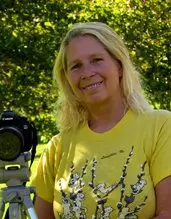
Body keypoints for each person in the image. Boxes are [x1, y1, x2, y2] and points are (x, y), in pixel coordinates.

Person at [31, 22, 171, 219]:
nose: (87, 73)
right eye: (76, 66)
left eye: (97, 60)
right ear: (67, 79)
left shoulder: (161, 126)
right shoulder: (58, 147)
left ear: (119, 65)